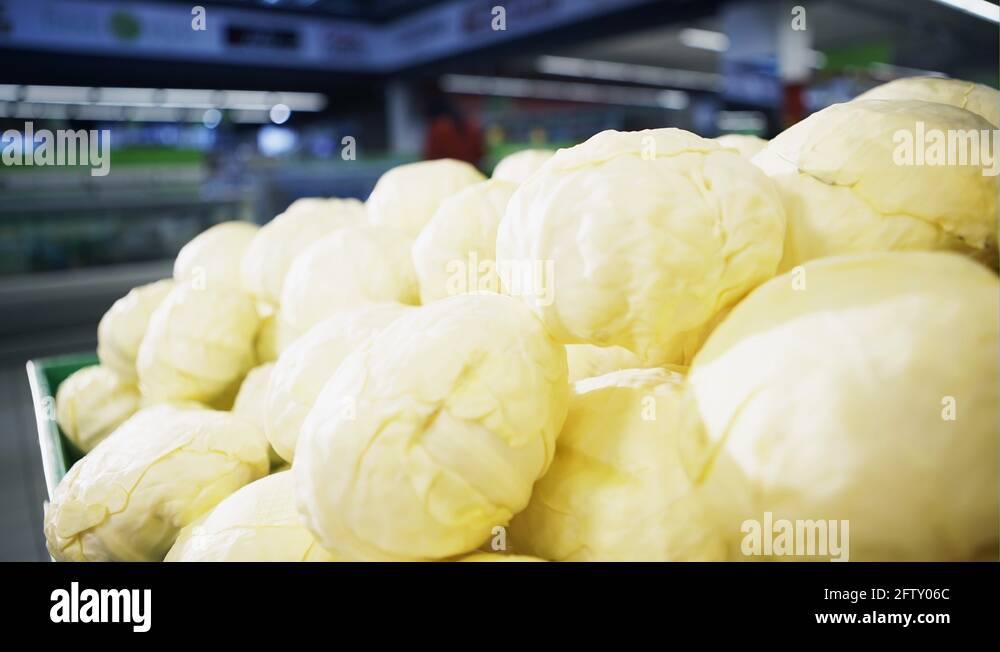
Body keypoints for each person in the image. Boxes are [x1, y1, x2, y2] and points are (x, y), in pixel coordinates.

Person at [423, 94, 483, 165]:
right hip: (461, 169)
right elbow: (479, 154)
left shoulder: (439, 127)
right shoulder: (472, 127)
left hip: (448, 170)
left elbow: (430, 155)